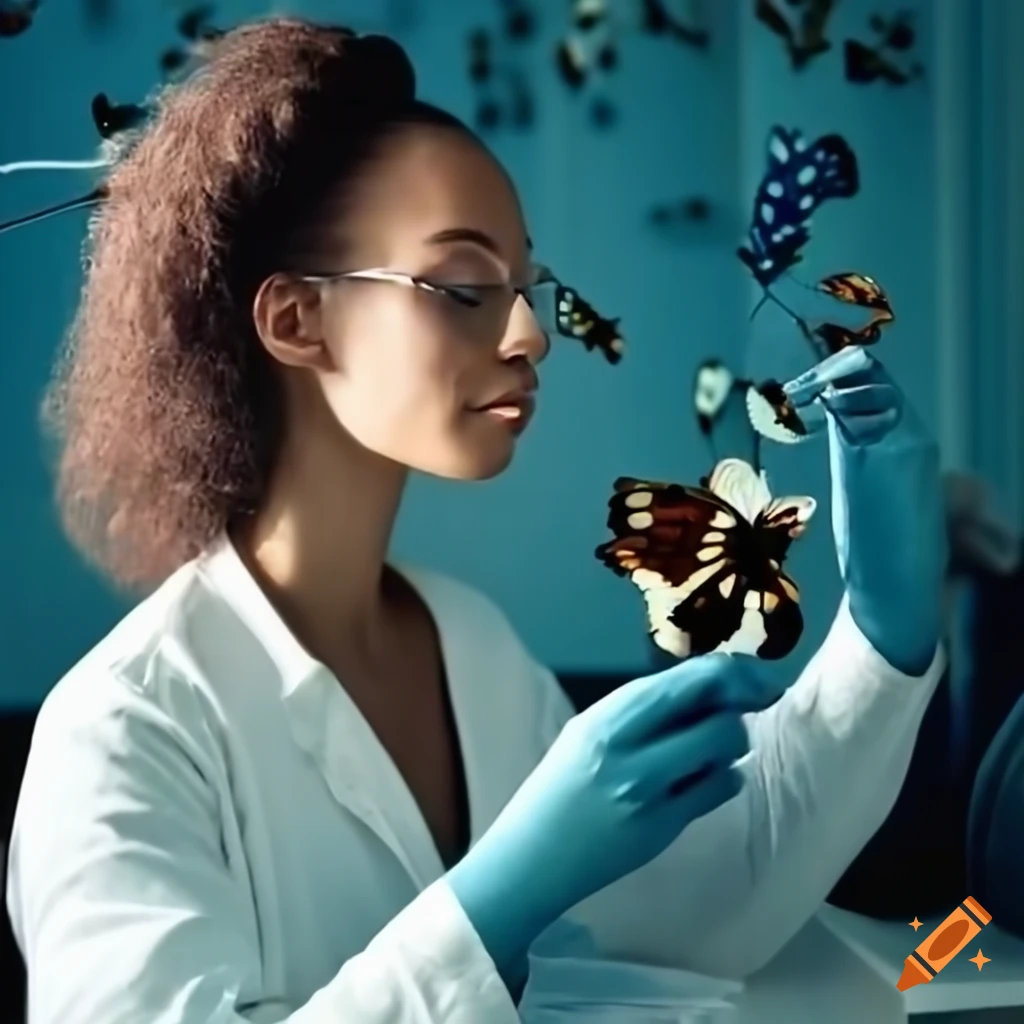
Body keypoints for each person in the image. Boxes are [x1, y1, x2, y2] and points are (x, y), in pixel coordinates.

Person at [4, 17, 949, 1024]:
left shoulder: (473, 647)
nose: (529, 333)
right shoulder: (124, 731)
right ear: (293, 319)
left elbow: (687, 922)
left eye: (527, 287)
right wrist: (497, 899)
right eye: (461, 287)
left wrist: (885, 624)